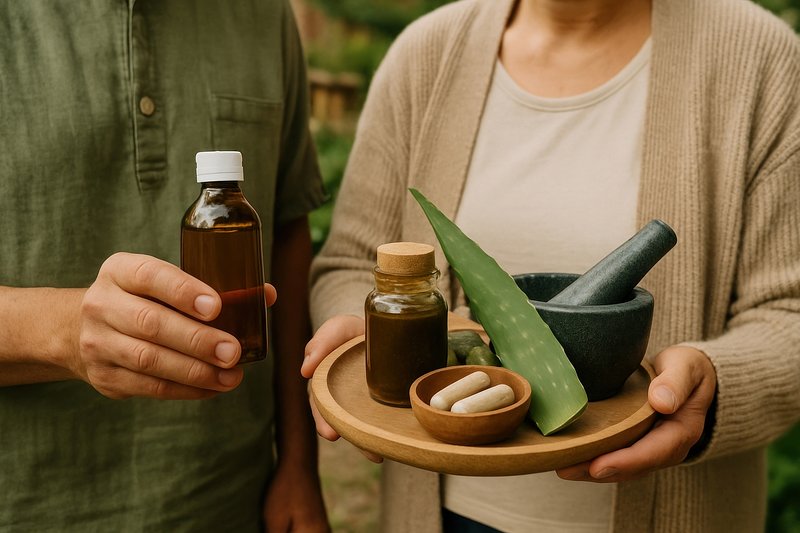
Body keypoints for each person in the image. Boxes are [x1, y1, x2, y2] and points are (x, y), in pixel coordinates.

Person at [302, 0, 800, 531]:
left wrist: (715, 382)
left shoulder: (757, 58)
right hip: (445, 514)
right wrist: (371, 339)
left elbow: (788, 312)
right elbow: (353, 261)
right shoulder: (426, 55)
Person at [0, 1, 329, 531]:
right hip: (28, 506)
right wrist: (63, 331)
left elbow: (288, 230)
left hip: (230, 500)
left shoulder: (266, 12)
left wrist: (299, 464)